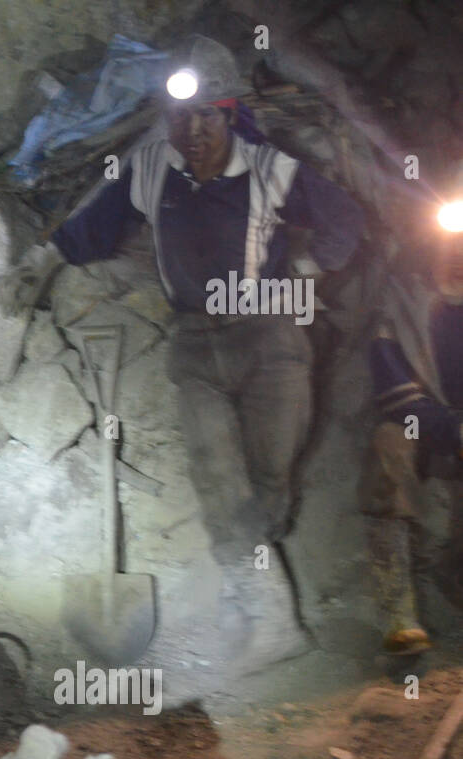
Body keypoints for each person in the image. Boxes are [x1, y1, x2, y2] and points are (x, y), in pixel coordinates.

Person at [45, 35, 365, 670]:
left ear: (230, 113)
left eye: (205, 116)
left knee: (269, 483)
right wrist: (38, 262)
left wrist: (304, 269)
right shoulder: (148, 167)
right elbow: (90, 229)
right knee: (217, 476)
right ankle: (270, 614)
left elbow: (345, 222)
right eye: (178, 117)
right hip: (196, 342)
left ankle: (256, 580)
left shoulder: (271, 168)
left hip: (271, 337)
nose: (191, 130)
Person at [359, 162, 463, 654]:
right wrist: (452, 430)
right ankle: (399, 612)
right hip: (428, 421)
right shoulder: (405, 289)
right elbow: (391, 382)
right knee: (388, 446)